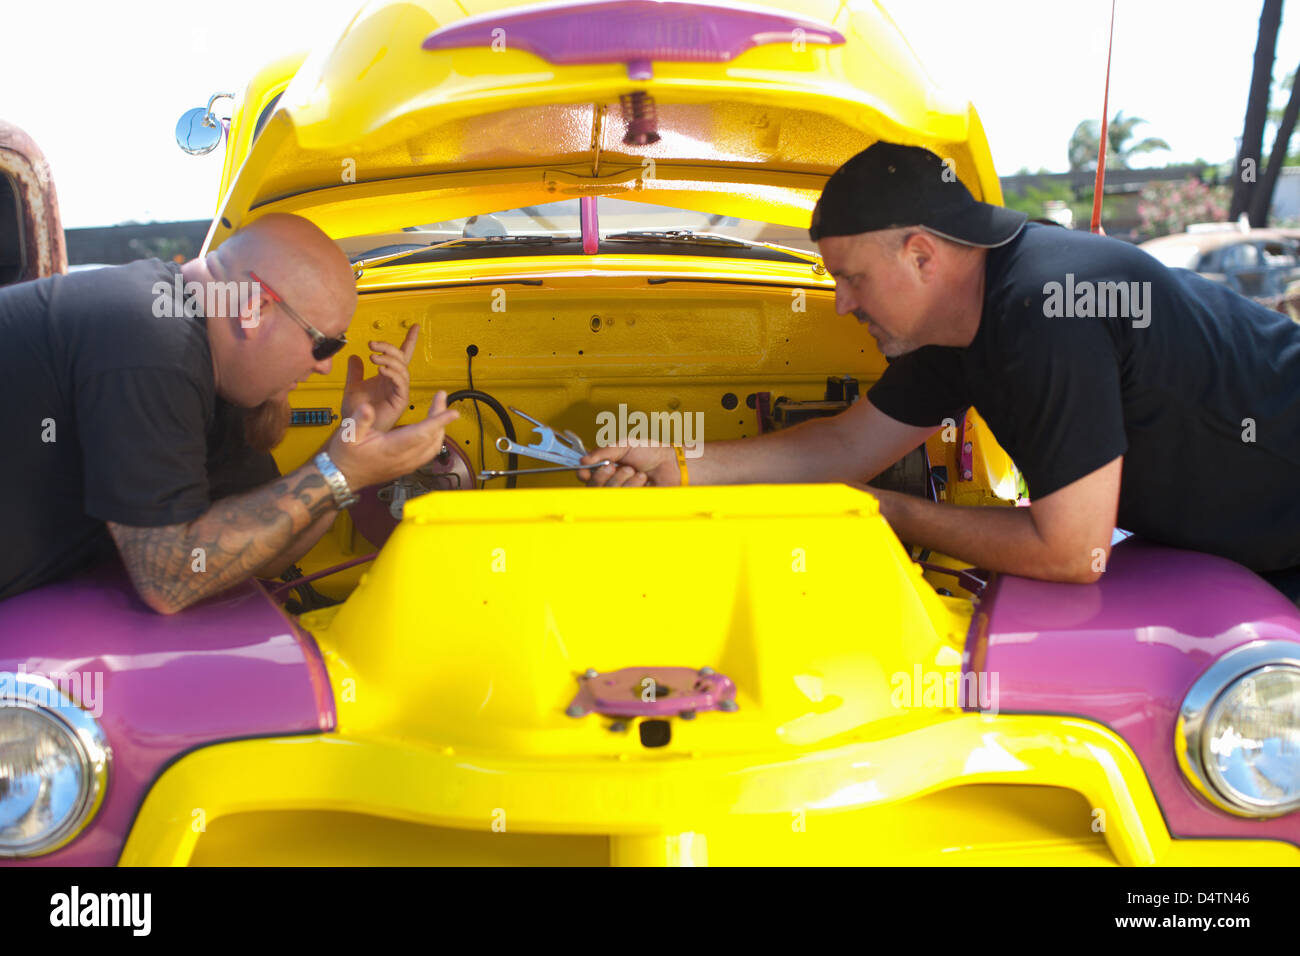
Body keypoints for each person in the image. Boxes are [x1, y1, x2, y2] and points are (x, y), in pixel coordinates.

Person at [580, 142, 1300, 595]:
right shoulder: (953, 329)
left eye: (851, 278)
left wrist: (892, 512)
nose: (839, 304)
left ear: (921, 254)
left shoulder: (1049, 304)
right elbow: (841, 447)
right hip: (1250, 546)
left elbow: (1075, 551)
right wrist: (675, 467)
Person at [0, 213, 458, 612]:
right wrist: (338, 473)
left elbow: (266, 551)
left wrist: (351, 444)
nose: (326, 366)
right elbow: (168, 579)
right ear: (255, 309)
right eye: (325, 342)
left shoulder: (217, 375)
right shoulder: (150, 335)